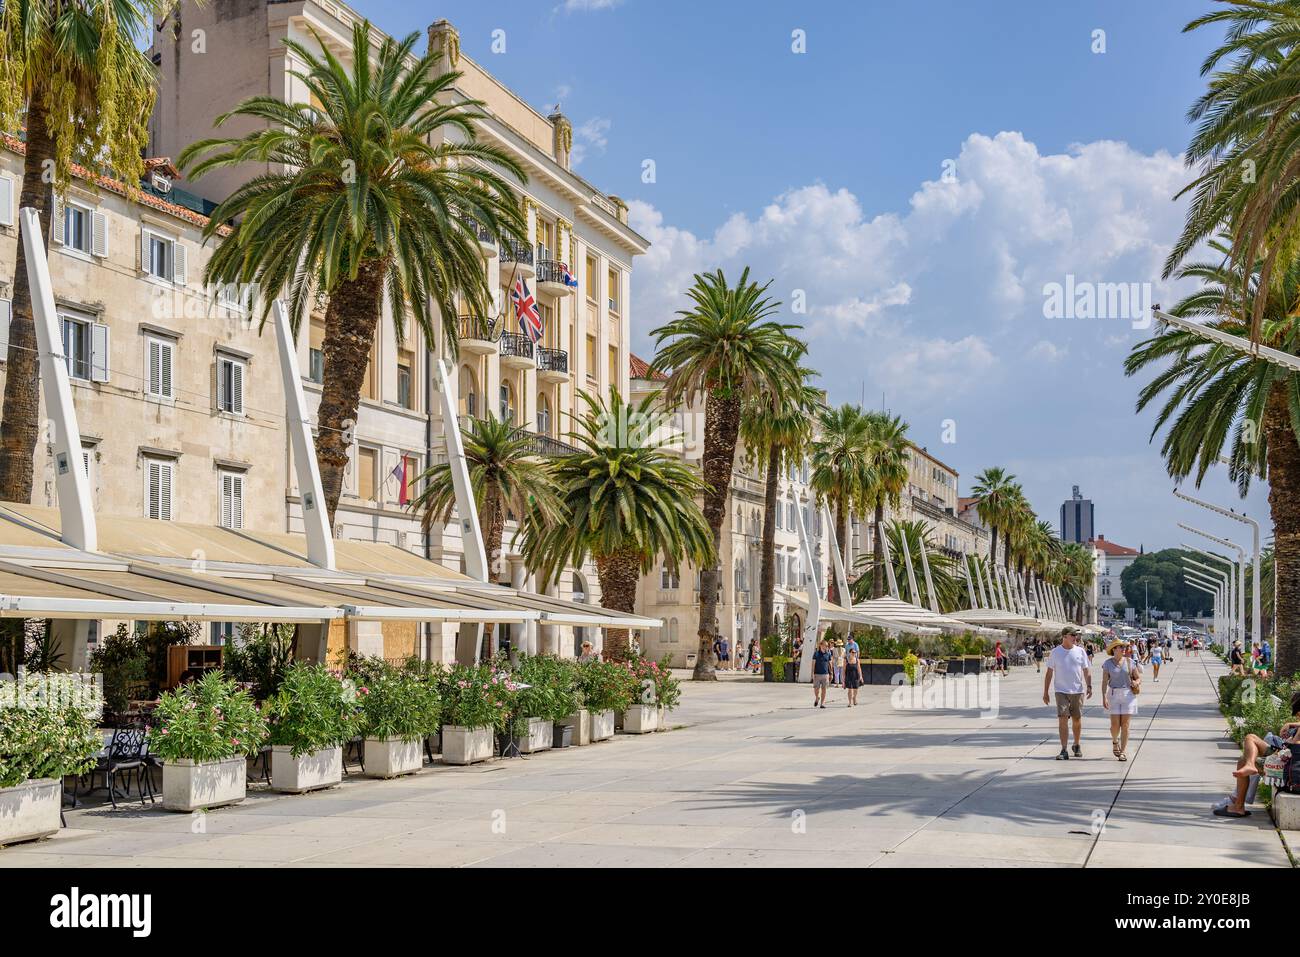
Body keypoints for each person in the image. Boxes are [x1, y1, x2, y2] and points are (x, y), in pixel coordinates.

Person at [1217, 691, 1300, 818]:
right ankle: (1238, 801)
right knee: (1250, 742)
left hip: (1287, 772)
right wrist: (1291, 725)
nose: (1296, 717)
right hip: (1286, 762)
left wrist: (1289, 740)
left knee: (1245, 753)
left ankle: (1238, 804)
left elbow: (1293, 750)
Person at [1043, 626, 1092, 760]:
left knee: (1077, 719)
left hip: (1077, 690)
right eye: (1072, 635)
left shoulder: (1080, 651)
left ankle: (1076, 744)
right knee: (1062, 719)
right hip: (1061, 690)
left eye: (1076, 635)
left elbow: (1086, 670)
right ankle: (1064, 749)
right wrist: (1045, 692)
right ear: (1064, 636)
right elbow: (1049, 673)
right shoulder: (1055, 652)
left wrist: (1089, 685)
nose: (1075, 638)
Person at [1101, 638, 1140, 761]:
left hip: (1128, 694)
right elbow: (1104, 681)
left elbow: (1138, 678)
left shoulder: (1130, 662)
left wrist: (1136, 682)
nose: (1124, 649)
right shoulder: (1107, 663)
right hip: (1113, 694)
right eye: (1121, 647)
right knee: (1114, 725)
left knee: (1125, 725)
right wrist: (1103, 697)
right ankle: (1114, 741)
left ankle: (1123, 752)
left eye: (1124, 647)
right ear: (1114, 649)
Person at [811, 638, 833, 708]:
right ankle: (817, 697)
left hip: (825, 674)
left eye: (827, 646)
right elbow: (813, 664)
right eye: (825, 645)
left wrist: (831, 673)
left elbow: (830, 664)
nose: (826, 647)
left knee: (824, 689)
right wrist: (812, 673)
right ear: (821, 645)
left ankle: (822, 703)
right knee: (816, 689)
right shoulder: (816, 653)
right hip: (817, 674)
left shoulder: (828, 654)